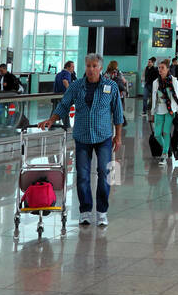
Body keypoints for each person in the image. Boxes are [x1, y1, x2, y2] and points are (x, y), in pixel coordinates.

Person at [40, 53, 124, 228]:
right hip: (82, 137)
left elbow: (117, 113)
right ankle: (85, 211)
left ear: (101, 68)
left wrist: (118, 136)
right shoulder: (76, 86)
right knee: (83, 176)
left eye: (94, 66)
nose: (91, 69)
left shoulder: (111, 86)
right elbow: (63, 105)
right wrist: (51, 120)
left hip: (104, 137)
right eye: (88, 66)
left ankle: (102, 212)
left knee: (105, 174)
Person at [151, 59, 178, 166]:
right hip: (159, 110)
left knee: (166, 132)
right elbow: (154, 98)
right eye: (159, 68)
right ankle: (167, 148)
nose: (160, 70)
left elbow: (177, 96)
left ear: (167, 69)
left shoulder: (174, 81)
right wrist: (152, 112)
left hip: (170, 110)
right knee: (157, 134)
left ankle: (164, 154)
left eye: (162, 68)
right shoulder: (155, 82)